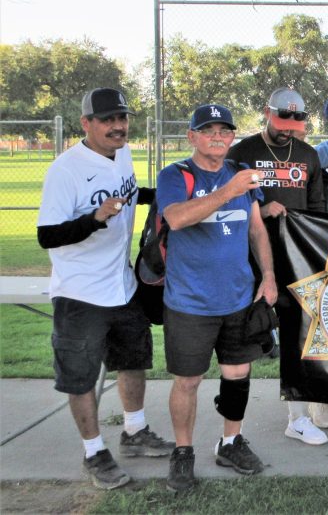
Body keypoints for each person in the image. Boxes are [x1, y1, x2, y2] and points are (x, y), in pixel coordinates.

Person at [36, 87, 174, 490]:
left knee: (133, 360)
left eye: (122, 118)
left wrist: (161, 198)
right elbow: (47, 235)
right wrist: (94, 220)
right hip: (80, 292)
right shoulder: (65, 170)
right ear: (87, 123)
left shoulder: (123, 153)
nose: (117, 126)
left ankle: (135, 431)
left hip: (122, 284)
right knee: (80, 377)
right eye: (107, 120)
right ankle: (94, 451)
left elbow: (129, 196)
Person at [159, 104, 274, 493]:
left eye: (225, 131)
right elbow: (176, 218)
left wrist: (268, 276)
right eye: (208, 131)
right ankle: (183, 452)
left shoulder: (241, 174)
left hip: (238, 297)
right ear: (191, 136)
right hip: (190, 301)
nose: (218, 137)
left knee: (237, 375)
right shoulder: (176, 175)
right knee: (188, 380)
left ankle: (230, 442)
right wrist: (228, 191)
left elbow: (256, 230)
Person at [225, 88, 328, 442]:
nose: (287, 129)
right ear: (267, 112)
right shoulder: (243, 152)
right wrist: (259, 211)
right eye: (281, 121)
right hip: (249, 262)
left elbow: (318, 210)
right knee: (239, 344)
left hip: (295, 261)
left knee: (296, 337)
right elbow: (224, 205)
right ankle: (232, 430)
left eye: (294, 123)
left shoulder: (307, 155)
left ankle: (298, 418)